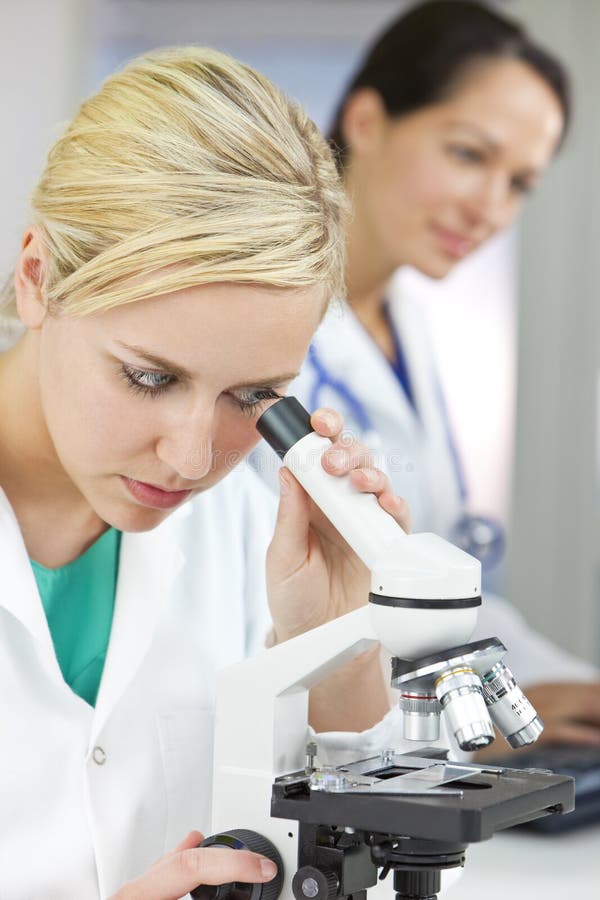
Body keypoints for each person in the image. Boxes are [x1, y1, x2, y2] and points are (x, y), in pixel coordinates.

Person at [0, 47, 413, 899]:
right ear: (38, 279)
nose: (194, 460)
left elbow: (355, 848)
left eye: (254, 396)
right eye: (150, 378)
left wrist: (334, 644)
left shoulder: (242, 540)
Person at [251, 0, 600, 749]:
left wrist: (546, 687)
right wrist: (456, 726)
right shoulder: (260, 326)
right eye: (470, 155)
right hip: (327, 750)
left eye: (520, 184)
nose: (490, 209)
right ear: (369, 121)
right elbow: (266, 620)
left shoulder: (403, 323)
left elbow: (431, 575)